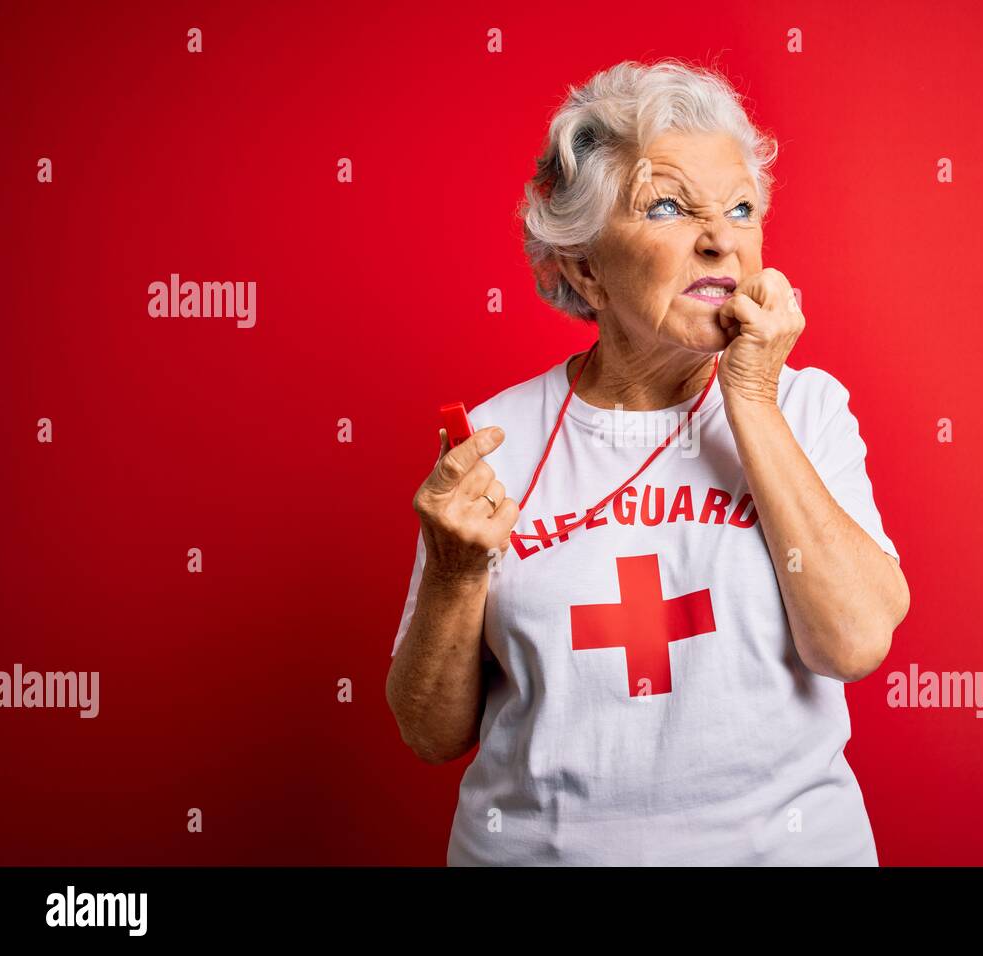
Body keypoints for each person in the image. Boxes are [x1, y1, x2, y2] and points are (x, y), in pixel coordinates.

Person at [385, 58, 910, 865]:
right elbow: (430, 733)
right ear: (585, 268)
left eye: (740, 209)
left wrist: (753, 400)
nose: (720, 240)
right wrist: (456, 573)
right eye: (668, 207)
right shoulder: (495, 441)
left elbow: (855, 642)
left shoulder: (804, 409)